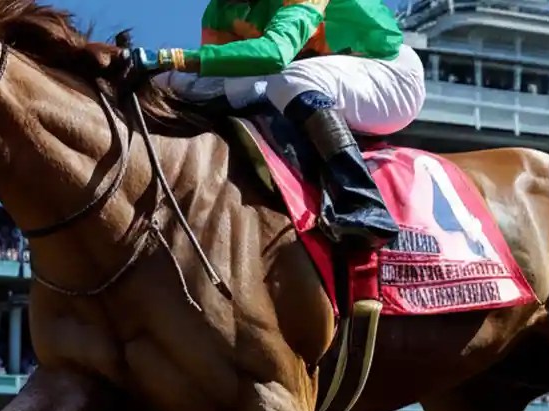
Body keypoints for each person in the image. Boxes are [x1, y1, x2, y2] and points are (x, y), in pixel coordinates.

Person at [128, 0, 426, 251]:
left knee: (291, 79)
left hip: (388, 76)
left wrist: (169, 57)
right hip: (312, 78)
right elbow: (219, 72)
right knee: (167, 80)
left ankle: (364, 203)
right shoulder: (219, 10)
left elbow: (273, 54)